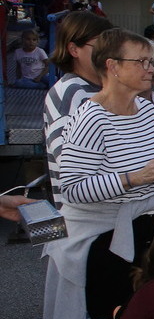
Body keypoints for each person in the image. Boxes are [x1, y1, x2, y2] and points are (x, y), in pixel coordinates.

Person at [48, 29, 154, 319]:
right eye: (141, 61)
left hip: (143, 230)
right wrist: (131, 179)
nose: (152, 69)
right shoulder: (91, 117)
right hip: (103, 241)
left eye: (152, 61)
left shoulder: (146, 110)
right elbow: (73, 188)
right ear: (112, 66)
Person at [42, 11, 113, 209]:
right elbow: (70, 165)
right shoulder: (71, 92)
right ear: (74, 49)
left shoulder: (98, 88)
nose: (109, 53)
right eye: (100, 45)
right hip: (87, 218)